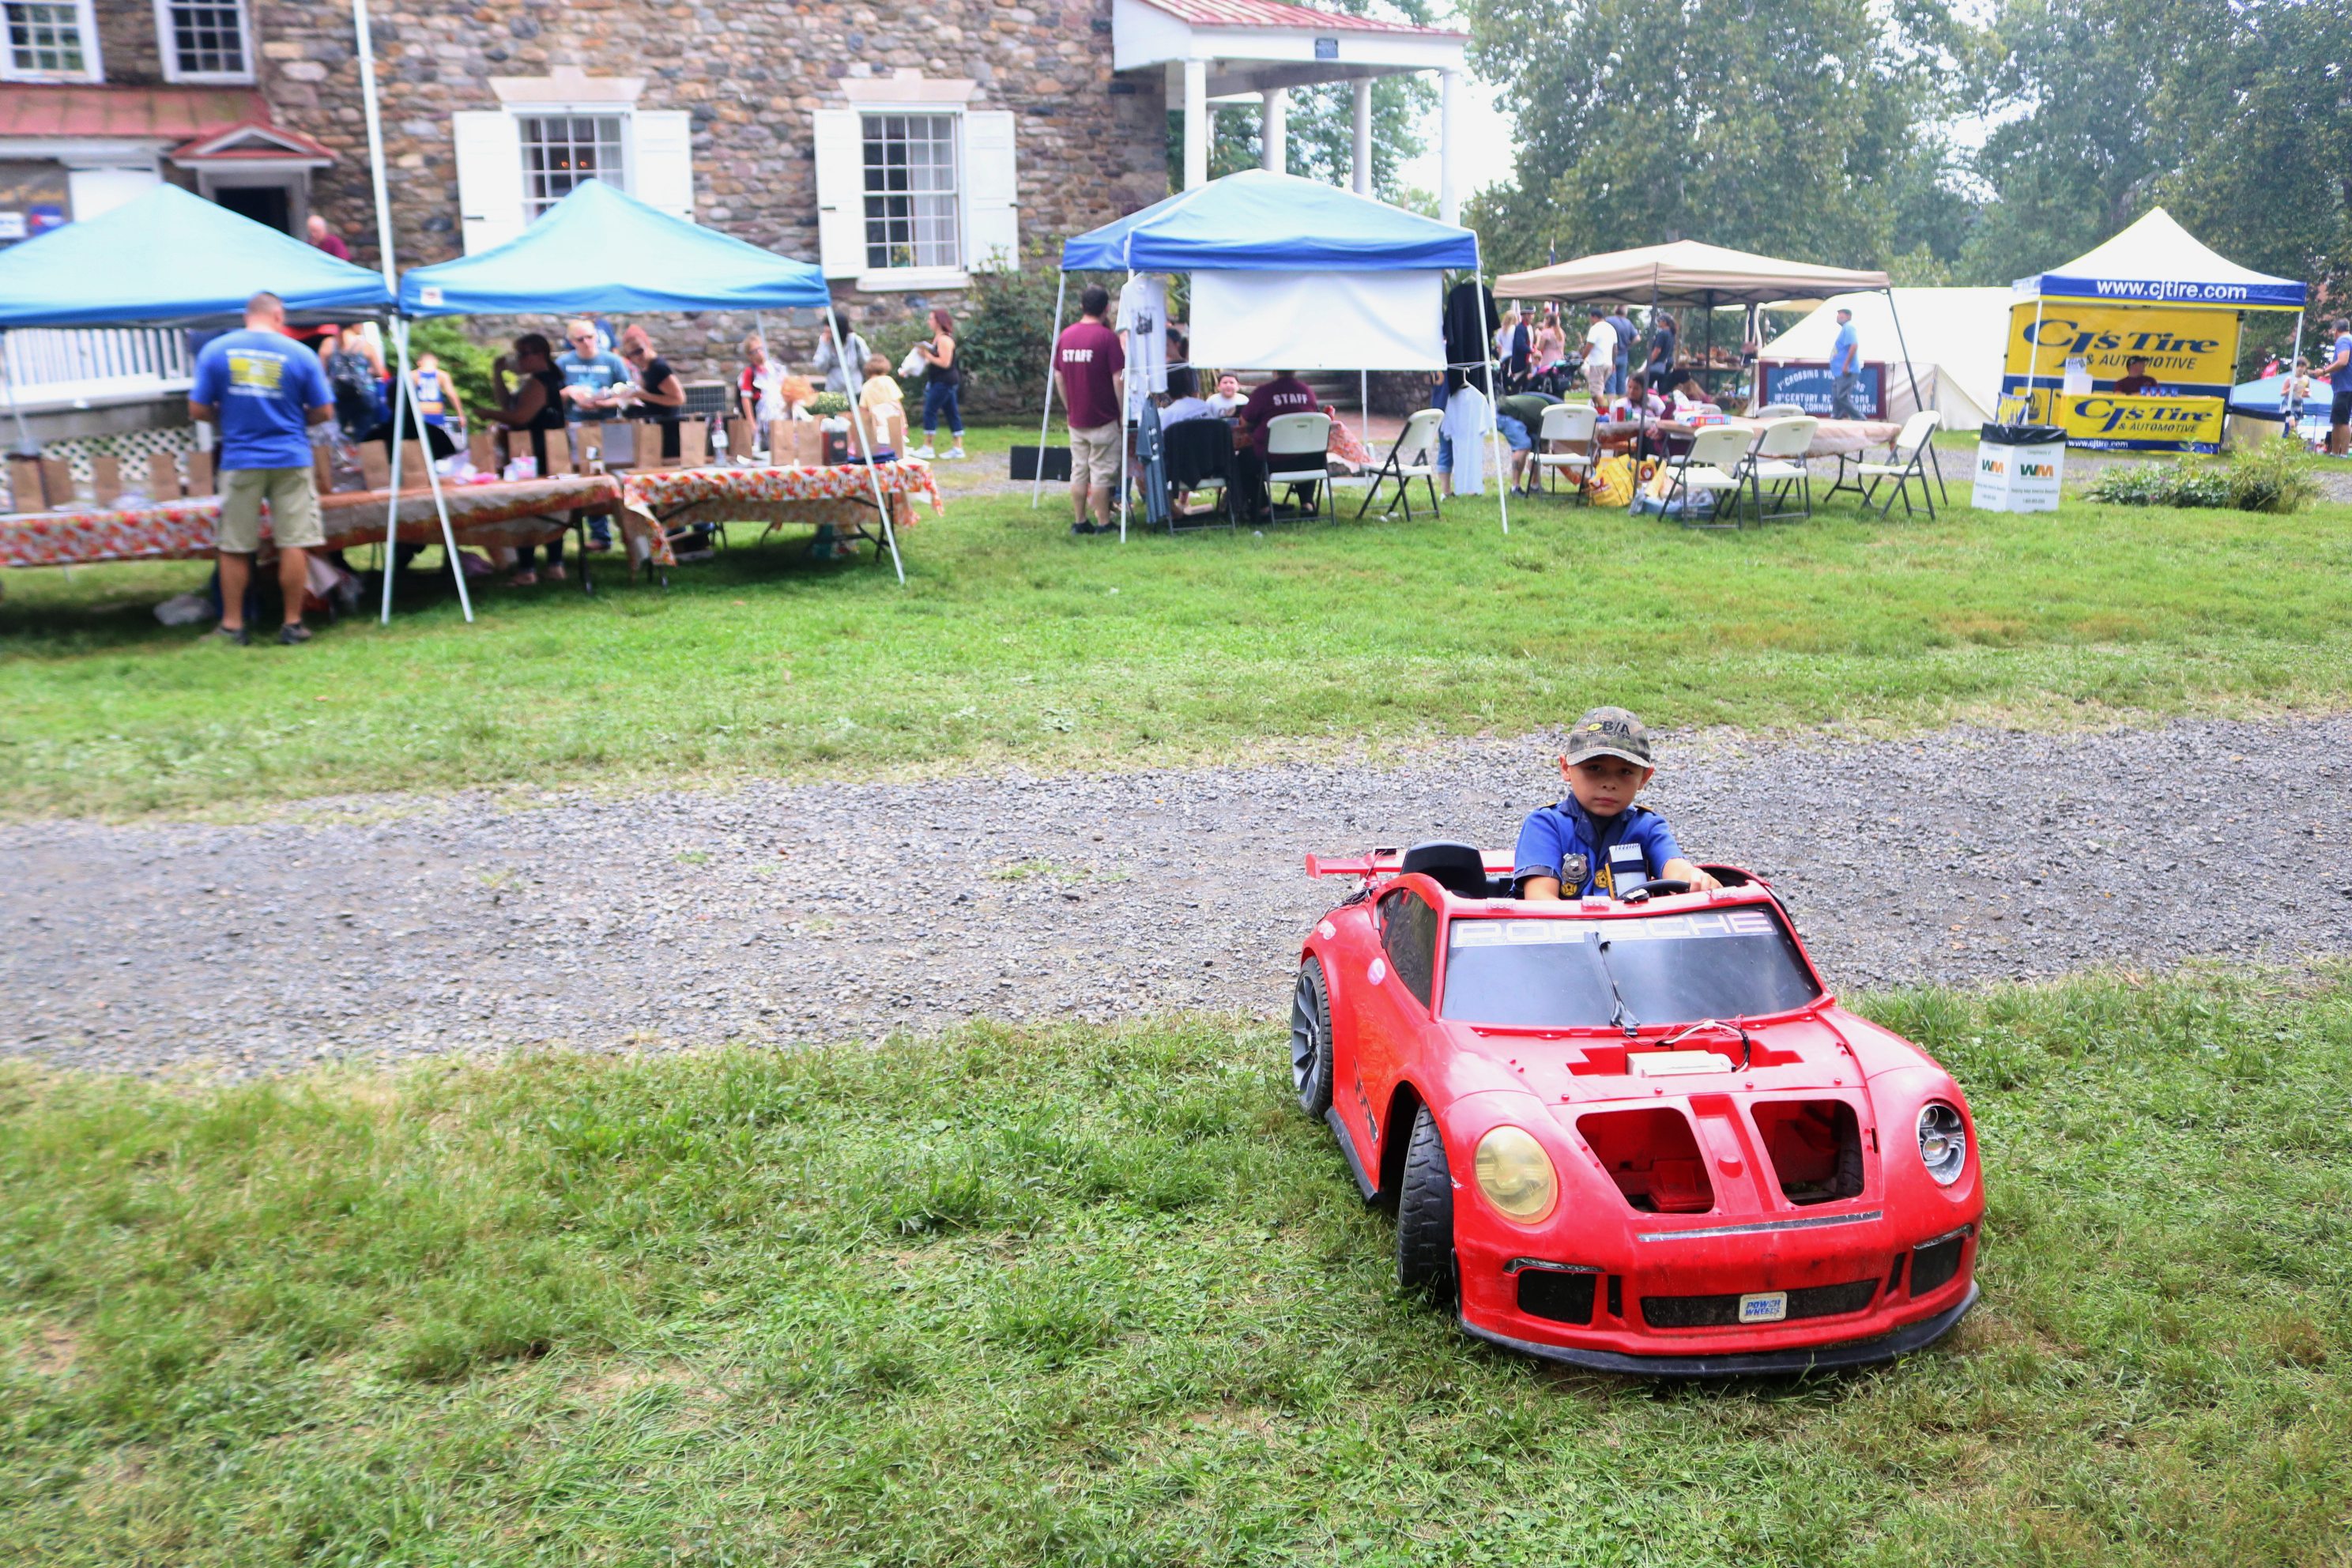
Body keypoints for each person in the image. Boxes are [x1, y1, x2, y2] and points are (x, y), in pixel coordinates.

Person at [187, 292, 334, 646]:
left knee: (235, 544)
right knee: (294, 541)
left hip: (241, 459)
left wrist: (228, 418)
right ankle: (292, 624)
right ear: (278, 316)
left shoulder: (216, 351)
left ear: (246, 316)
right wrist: (296, 420)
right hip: (291, 457)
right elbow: (324, 412)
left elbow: (197, 409)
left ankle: (233, 626)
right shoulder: (300, 354)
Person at [1514, 707, 1721, 900]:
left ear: (1644, 778)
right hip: (1567, 937)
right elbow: (1540, 900)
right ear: (1566, 767)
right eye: (1595, 768)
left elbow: (1676, 868)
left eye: (1625, 771)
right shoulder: (1545, 825)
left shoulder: (1648, 827)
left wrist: (1695, 877)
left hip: (1631, 937)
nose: (1609, 783)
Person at [488, 332, 571, 585]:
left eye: (523, 354)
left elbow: (519, 417)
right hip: (547, 450)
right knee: (550, 507)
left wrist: (484, 413)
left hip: (534, 451)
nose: (520, 360)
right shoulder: (545, 379)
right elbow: (509, 405)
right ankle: (554, 565)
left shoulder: (539, 382)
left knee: (527, 509)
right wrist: (499, 376)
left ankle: (527, 569)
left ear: (539, 355)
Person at [1054, 282, 1124, 536]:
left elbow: (1059, 376)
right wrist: (1121, 412)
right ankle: (1104, 523)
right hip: (1104, 417)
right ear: (1106, 308)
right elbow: (1118, 379)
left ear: (1082, 306)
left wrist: (1069, 406)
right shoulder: (1108, 339)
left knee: (1079, 470)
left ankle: (1080, 520)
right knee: (1102, 471)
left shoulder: (1066, 336)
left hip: (1077, 418)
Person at [556, 318, 632, 548]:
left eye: (591, 337)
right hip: (577, 425)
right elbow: (550, 396)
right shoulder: (563, 363)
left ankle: (630, 535)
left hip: (608, 425)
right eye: (581, 339)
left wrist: (608, 402)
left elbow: (629, 391)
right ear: (572, 342)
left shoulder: (612, 360)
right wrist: (568, 393)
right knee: (589, 479)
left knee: (618, 476)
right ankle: (600, 536)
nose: (587, 343)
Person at [1237, 368, 1319, 521]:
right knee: (1308, 450)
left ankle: (1262, 506)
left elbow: (1244, 422)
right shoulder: (1308, 392)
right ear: (1295, 370)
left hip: (1270, 460)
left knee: (1241, 461)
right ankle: (1307, 503)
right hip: (1306, 461)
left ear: (1274, 370)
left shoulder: (1263, 393)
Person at [912, 307, 965, 461]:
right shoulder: (937, 338)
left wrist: (927, 354)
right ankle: (958, 447)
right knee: (951, 412)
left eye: (931, 319)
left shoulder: (944, 340)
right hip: (940, 380)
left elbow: (945, 362)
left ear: (939, 321)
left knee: (930, 411)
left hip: (945, 381)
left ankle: (928, 446)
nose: (929, 322)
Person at [322, 325, 383, 443]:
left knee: (336, 434)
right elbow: (379, 371)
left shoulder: (329, 343)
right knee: (364, 437)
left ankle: (341, 459)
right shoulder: (365, 345)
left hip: (337, 395)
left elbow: (321, 371)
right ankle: (364, 459)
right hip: (364, 394)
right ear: (356, 325)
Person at [1498, 388, 1559, 495]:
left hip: (1523, 413)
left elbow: (1540, 448)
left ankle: (1534, 486)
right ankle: (1515, 488)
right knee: (1523, 445)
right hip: (1505, 411)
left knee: (1536, 448)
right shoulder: (1557, 415)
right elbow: (1547, 448)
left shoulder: (1557, 411)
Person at [812, 309, 870, 396]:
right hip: (833, 391)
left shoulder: (855, 341)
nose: (828, 334)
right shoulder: (825, 341)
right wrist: (825, 346)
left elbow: (866, 363)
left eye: (830, 332)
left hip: (854, 390)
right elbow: (820, 366)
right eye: (826, 331)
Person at [737, 333, 790, 429]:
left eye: (761, 349)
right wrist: (752, 423)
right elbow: (746, 399)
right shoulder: (750, 372)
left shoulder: (774, 368)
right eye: (755, 351)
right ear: (750, 355)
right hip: (761, 416)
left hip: (778, 414)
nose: (760, 353)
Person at [858, 352, 903, 458]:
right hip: (892, 419)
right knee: (896, 446)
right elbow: (897, 403)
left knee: (881, 446)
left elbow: (863, 409)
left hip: (877, 422)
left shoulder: (866, 386)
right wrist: (904, 422)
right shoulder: (888, 381)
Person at [1828, 306, 1861, 420]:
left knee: (1842, 396)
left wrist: (1846, 364)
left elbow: (1854, 345)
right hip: (1839, 372)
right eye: (1838, 314)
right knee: (1837, 396)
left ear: (1849, 317)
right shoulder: (1844, 329)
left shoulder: (1849, 327)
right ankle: (1836, 416)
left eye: (1842, 315)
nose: (1839, 317)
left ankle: (1859, 418)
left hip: (1847, 370)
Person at [2326, 318, 2351, 455]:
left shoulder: (2343, 341)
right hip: (2344, 387)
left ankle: (2343, 454)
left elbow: (2343, 361)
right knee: (2337, 420)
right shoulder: (2350, 339)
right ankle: (2334, 453)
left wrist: (2324, 371)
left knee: (2343, 421)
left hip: (2345, 387)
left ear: (2336, 330)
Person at [1582, 306, 1615, 401]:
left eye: (1591, 318)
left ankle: (1602, 411)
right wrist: (1614, 362)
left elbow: (1589, 346)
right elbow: (1615, 348)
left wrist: (1582, 358)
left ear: (1594, 317)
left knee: (1596, 392)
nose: (1591, 321)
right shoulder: (1611, 328)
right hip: (1608, 363)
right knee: (1599, 388)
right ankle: (1598, 410)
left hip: (1597, 363)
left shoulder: (1595, 328)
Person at [1604, 305, 1635, 395]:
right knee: (1621, 382)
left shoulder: (1609, 320)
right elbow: (1637, 338)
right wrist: (1629, 345)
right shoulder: (1628, 323)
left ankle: (1612, 404)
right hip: (1624, 356)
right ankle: (1621, 405)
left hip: (1611, 355)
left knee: (1611, 381)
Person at [1645, 311, 1679, 383]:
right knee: (1662, 385)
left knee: (1647, 384)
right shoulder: (1672, 334)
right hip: (1668, 363)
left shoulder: (1662, 334)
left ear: (1664, 322)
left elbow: (1657, 350)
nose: (1658, 322)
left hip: (1659, 363)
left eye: (1659, 321)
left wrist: (1649, 363)